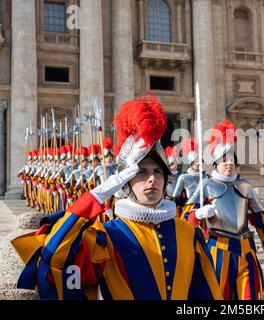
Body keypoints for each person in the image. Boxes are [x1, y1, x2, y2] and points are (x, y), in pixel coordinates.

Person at [11, 94, 223, 300]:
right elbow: (54, 257)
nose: (152, 179)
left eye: (158, 172)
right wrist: (94, 197)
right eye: (141, 172)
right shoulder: (106, 236)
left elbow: (206, 293)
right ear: (125, 181)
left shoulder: (188, 233)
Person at [183, 120, 264, 300]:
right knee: (218, 296)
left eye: (232, 159)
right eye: (224, 160)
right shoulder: (206, 186)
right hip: (218, 250)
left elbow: (260, 221)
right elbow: (185, 218)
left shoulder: (245, 187)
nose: (229, 163)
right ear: (216, 163)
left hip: (246, 250)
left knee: (249, 298)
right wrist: (198, 214)